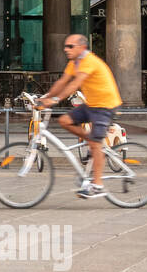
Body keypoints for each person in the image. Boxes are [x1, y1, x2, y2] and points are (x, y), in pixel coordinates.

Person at [39, 33, 123, 199]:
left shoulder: (89, 61)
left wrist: (54, 100)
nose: (66, 49)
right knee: (64, 121)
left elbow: (75, 84)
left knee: (95, 144)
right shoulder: (74, 63)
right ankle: (91, 141)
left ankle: (97, 185)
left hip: (105, 105)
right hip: (91, 104)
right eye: (65, 46)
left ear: (82, 47)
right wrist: (44, 97)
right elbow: (62, 82)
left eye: (70, 46)